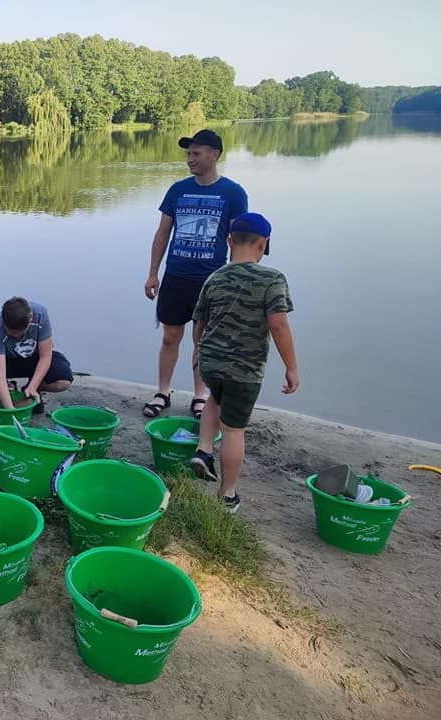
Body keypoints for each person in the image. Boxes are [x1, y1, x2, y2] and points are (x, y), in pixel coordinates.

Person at [188, 213, 298, 513]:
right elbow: (278, 325)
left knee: (214, 397)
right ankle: (227, 495)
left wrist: (197, 351)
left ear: (229, 241)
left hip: (211, 361)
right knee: (235, 430)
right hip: (244, 370)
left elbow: (198, 320)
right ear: (263, 244)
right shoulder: (272, 279)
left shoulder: (215, 276)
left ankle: (204, 450)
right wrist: (291, 366)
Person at [143, 129, 248, 420]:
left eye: (196, 153)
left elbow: (239, 241)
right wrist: (153, 273)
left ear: (214, 155)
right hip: (176, 276)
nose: (190, 159)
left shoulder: (233, 193)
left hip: (211, 281)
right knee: (170, 337)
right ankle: (163, 392)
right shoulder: (178, 190)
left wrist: (234, 278)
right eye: (188, 154)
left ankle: (199, 396)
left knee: (203, 341)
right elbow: (163, 232)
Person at [0, 297, 73, 414]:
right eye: (11, 331)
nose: (16, 335)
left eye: (20, 332)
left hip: (35, 358)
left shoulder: (40, 315)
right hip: (8, 359)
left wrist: (33, 386)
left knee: (63, 381)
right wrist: (10, 411)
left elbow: (45, 357)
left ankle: (31, 389)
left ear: (30, 318)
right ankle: (10, 389)